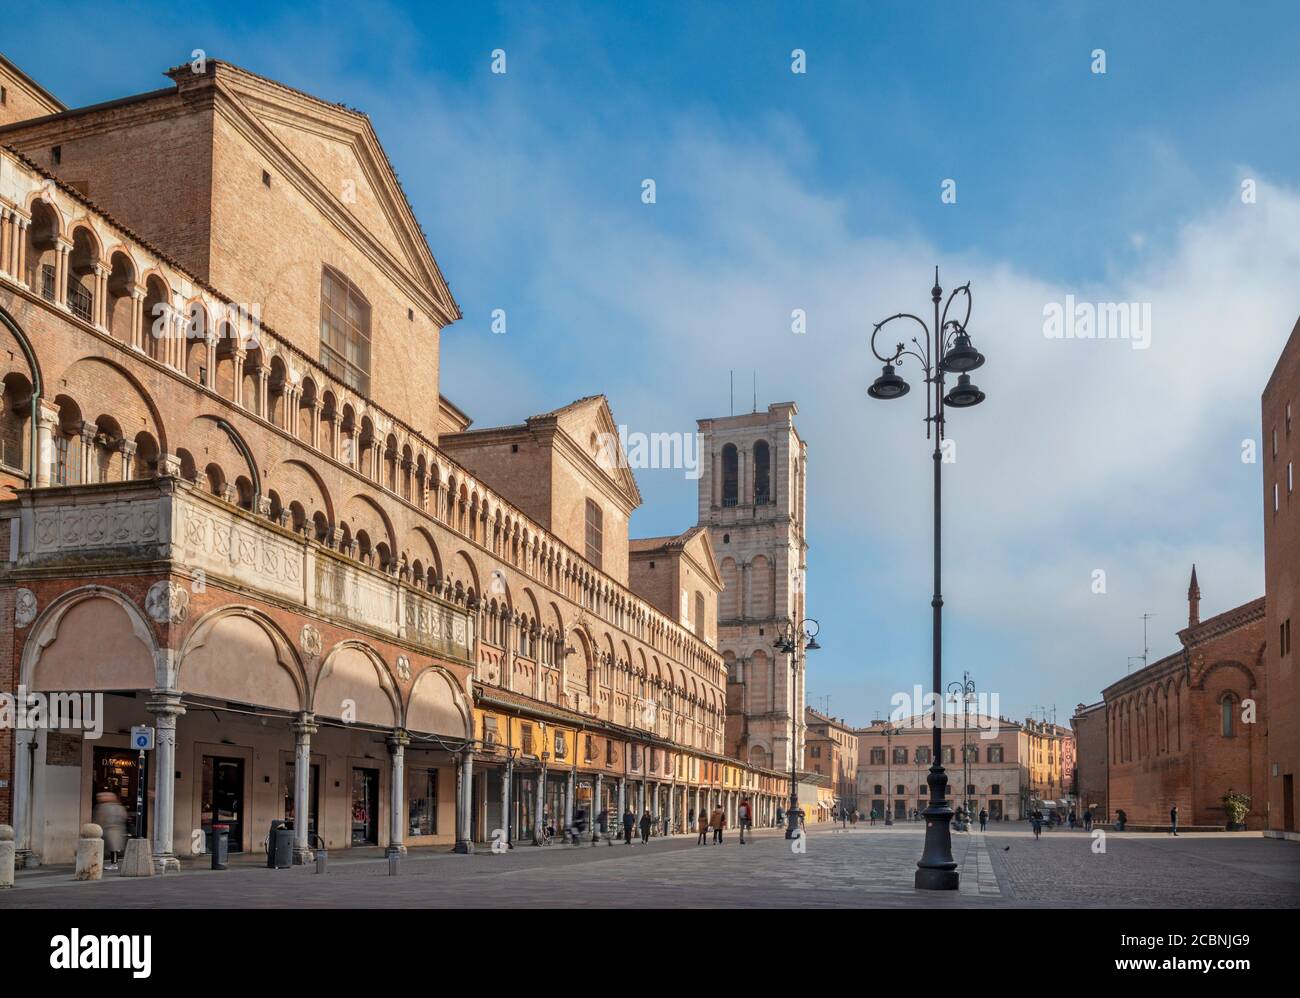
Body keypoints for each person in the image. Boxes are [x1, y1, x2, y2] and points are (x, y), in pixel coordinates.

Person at [93, 792, 127, 870]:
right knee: (108, 847)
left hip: (112, 830)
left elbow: (121, 817)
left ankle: (114, 864)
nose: (100, 798)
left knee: (114, 848)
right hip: (105, 829)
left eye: (103, 796)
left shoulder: (115, 807)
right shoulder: (103, 806)